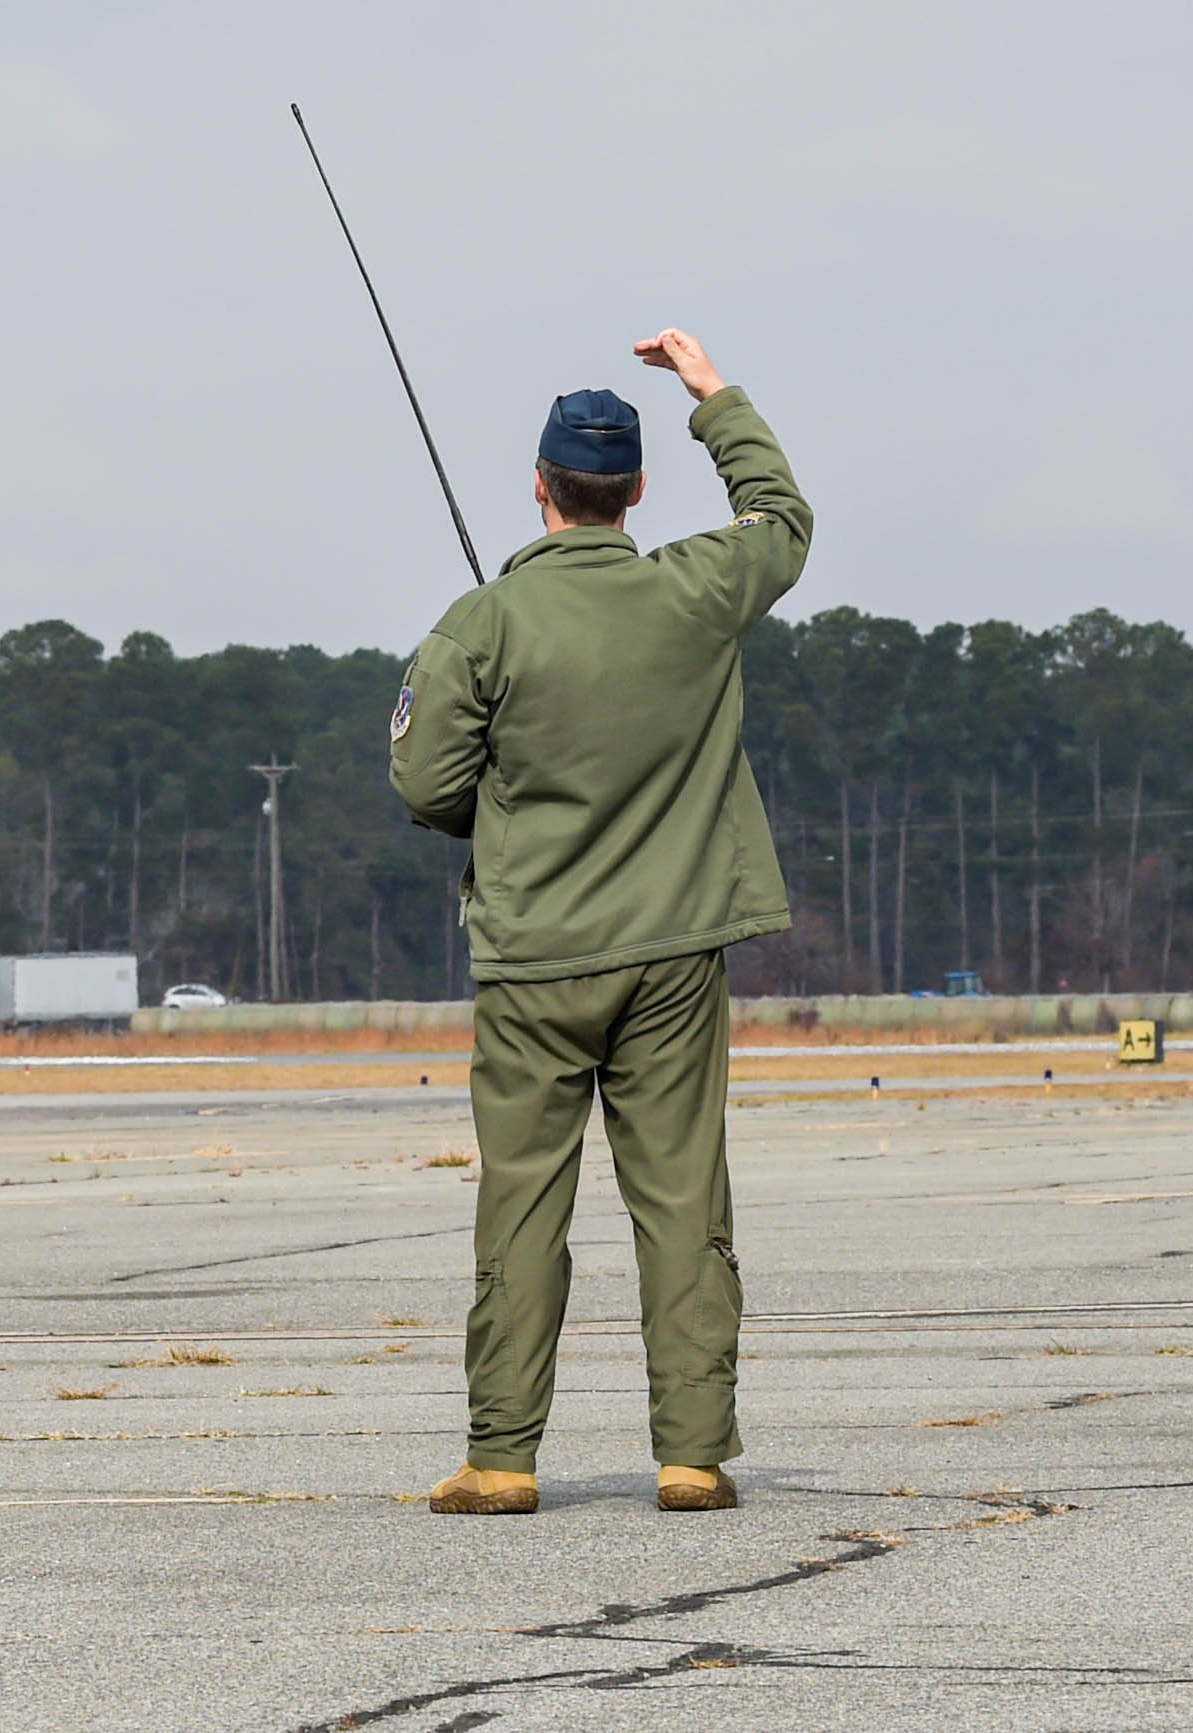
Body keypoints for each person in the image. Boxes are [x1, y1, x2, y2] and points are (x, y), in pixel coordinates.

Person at [387, 328, 811, 1515]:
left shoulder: (483, 622)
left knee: (524, 1202)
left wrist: (501, 807)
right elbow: (780, 519)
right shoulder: (696, 589)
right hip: (673, 955)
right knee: (681, 1202)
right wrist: (712, 394)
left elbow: (425, 786)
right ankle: (692, 1453)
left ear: (540, 484)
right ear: (635, 490)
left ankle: (502, 1456)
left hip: (533, 960)